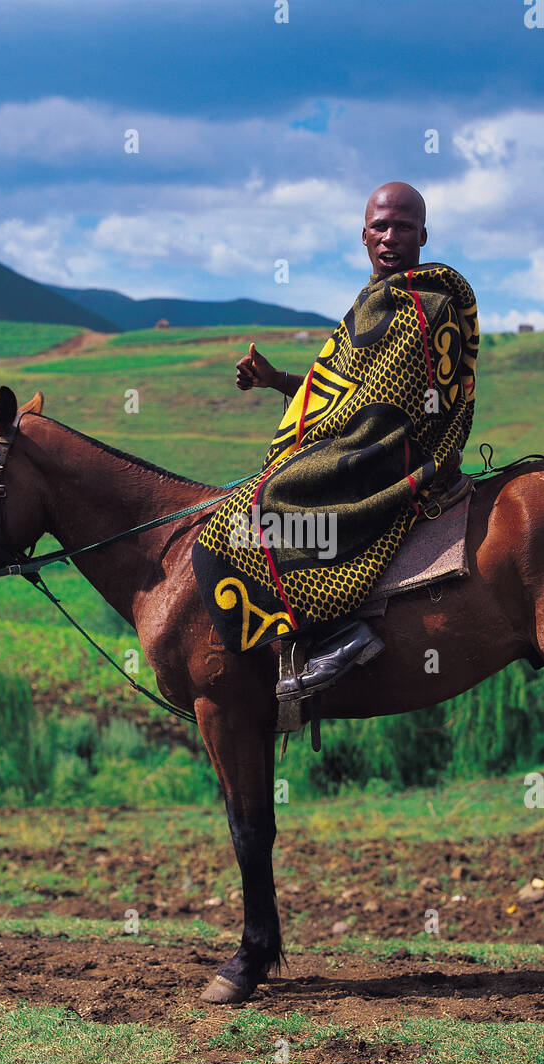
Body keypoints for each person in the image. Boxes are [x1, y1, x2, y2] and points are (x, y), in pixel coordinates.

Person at [192, 182, 479, 700]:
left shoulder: (426, 307)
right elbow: (351, 389)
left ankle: (336, 635)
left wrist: (328, 443)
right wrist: (278, 380)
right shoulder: (372, 301)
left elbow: (387, 409)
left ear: (424, 235)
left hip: (393, 452)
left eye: (404, 227)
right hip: (363, 439)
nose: (390, 237)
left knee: (257, 511)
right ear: (363, 235)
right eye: (380, 227)